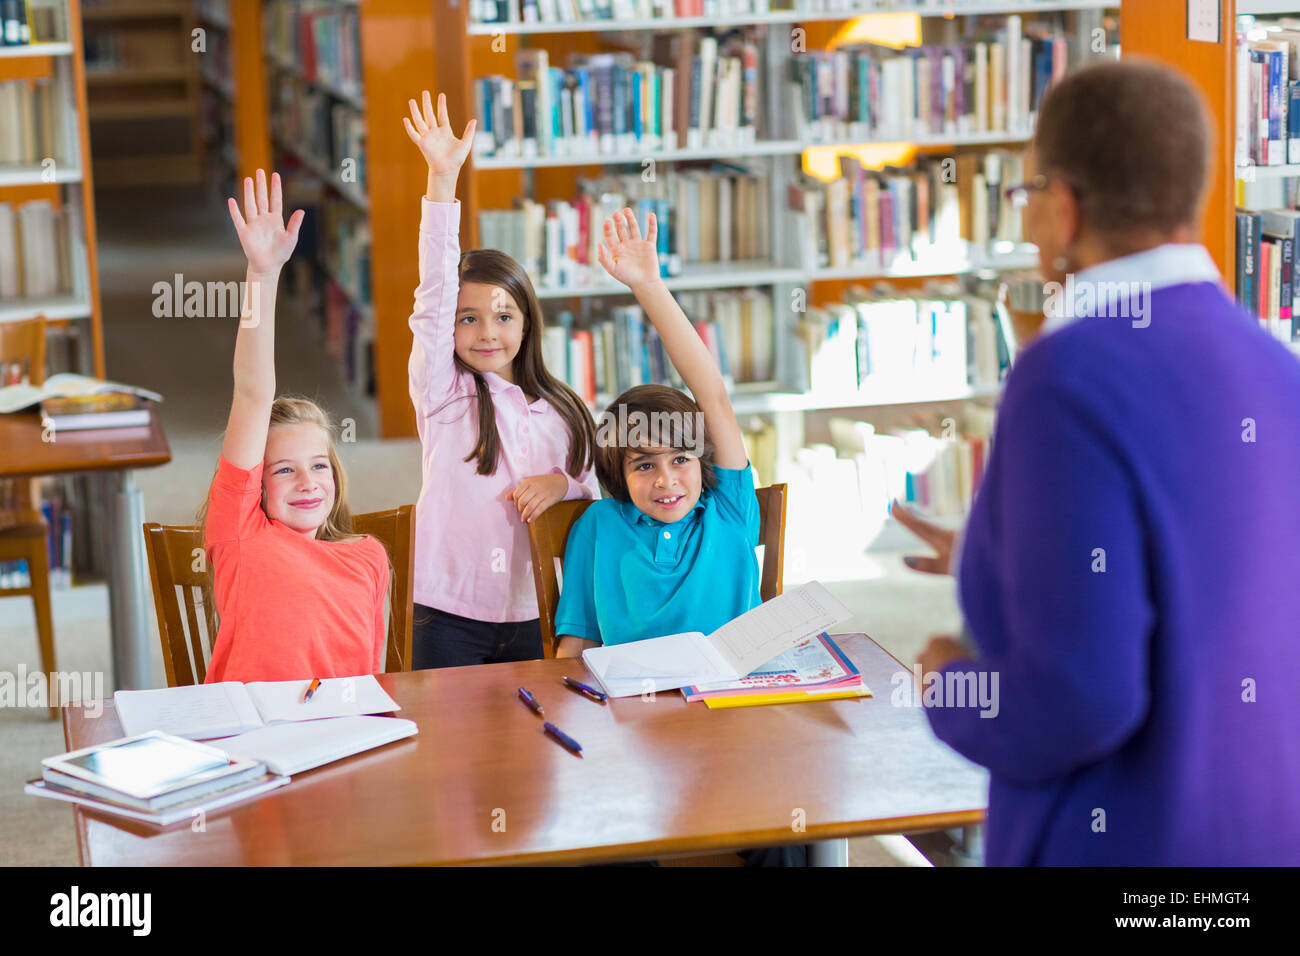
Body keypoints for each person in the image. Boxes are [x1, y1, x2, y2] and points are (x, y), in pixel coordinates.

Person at [898, 59, 1300, 865]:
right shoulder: (1273, 363)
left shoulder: (1065, 372)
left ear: (1066, 204)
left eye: (1027, 195)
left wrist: (949, 686)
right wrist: (1000, 560)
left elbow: (1080, 695)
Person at [403, 91, 599, 668]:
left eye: (503, 316)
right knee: (447, 746)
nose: (486, 332)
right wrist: (443, 181)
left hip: (537, 606)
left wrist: (562, 485)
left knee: (527, 747)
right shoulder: (444, 392)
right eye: (469, 319)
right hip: (445, 611)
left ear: (527, 322)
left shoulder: (562, 408)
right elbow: (434, 293)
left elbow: (593, 488)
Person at [200, 170, 390, 683]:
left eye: (319, 465)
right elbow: (253, 392)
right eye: (284, 469)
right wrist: (262, 275)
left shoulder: (369, 557)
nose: (309, 483)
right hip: (252, 736)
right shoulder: (240, 532)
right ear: (255, 485)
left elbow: (369, 679)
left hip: (339, 738)